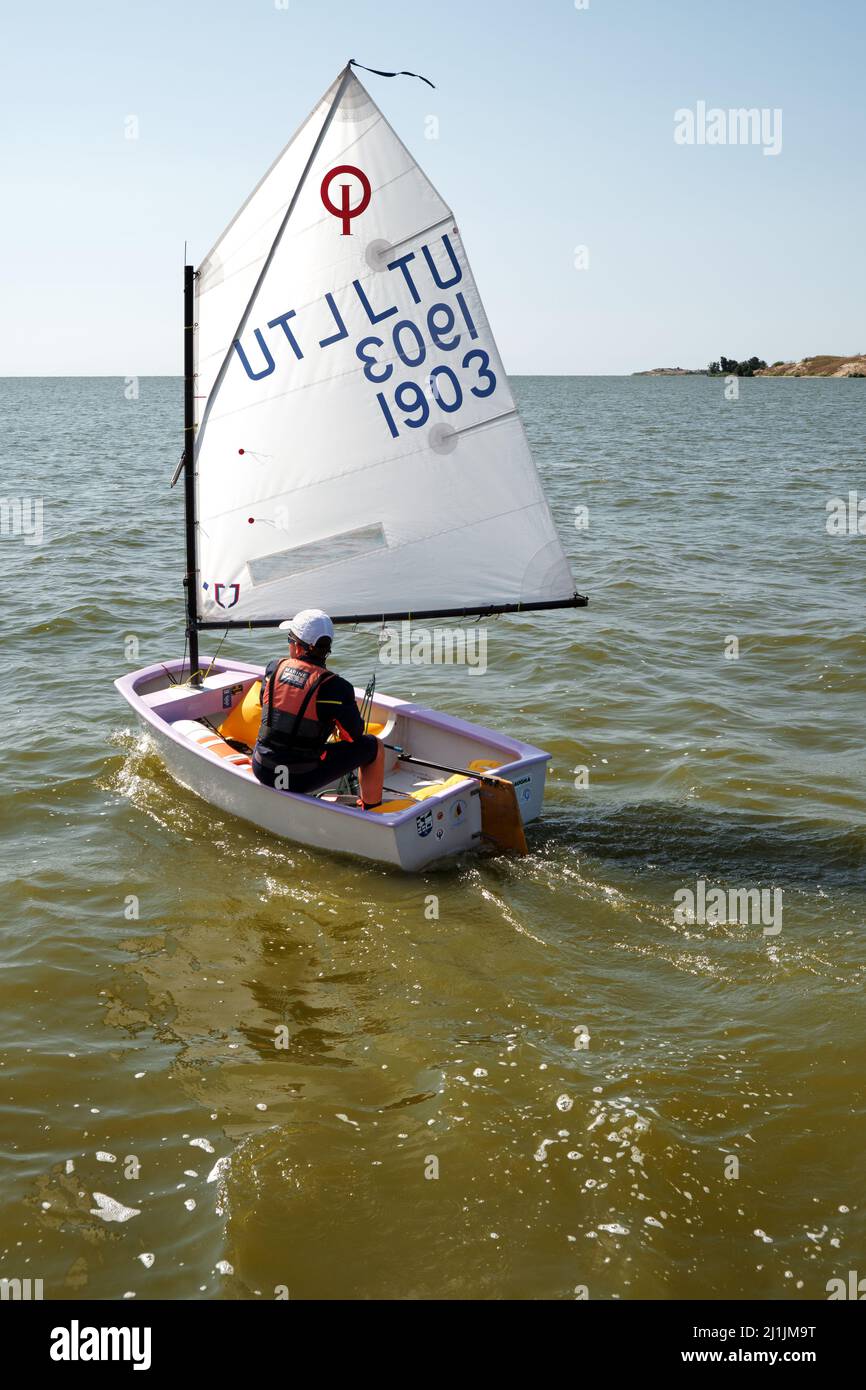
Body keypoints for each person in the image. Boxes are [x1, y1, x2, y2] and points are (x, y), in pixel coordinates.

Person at [251, 608, 384, 810]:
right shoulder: (338, 688)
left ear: (297, 647)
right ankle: (372, 810)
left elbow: (268, 706)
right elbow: (353, 735)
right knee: (373, 746)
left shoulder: (273, 668)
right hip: (300, 779)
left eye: (289, 639)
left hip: (262, 768)